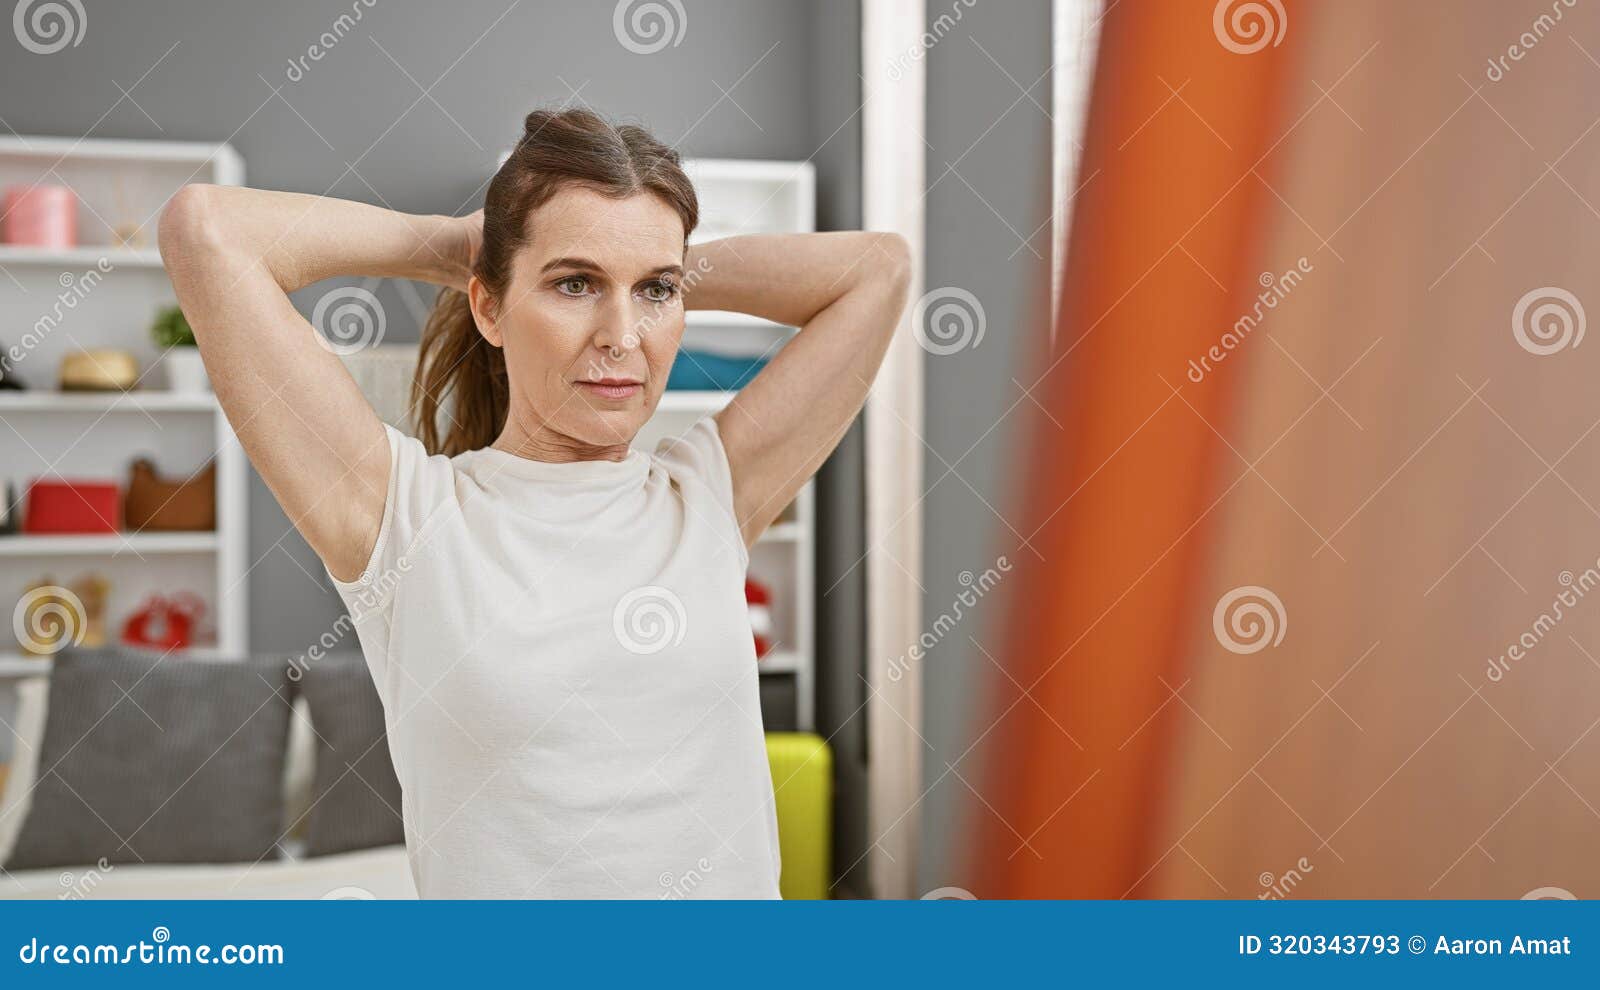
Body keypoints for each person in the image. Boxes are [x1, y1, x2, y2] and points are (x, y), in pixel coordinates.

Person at [159, 107, 911, 898]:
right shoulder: (402, 515)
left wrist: (658, 264)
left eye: (655, 292)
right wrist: (458, 246)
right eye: (574, 284)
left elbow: (879, 269)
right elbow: (206, 229)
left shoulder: (709, 495)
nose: (621, 335)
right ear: (488, 306)